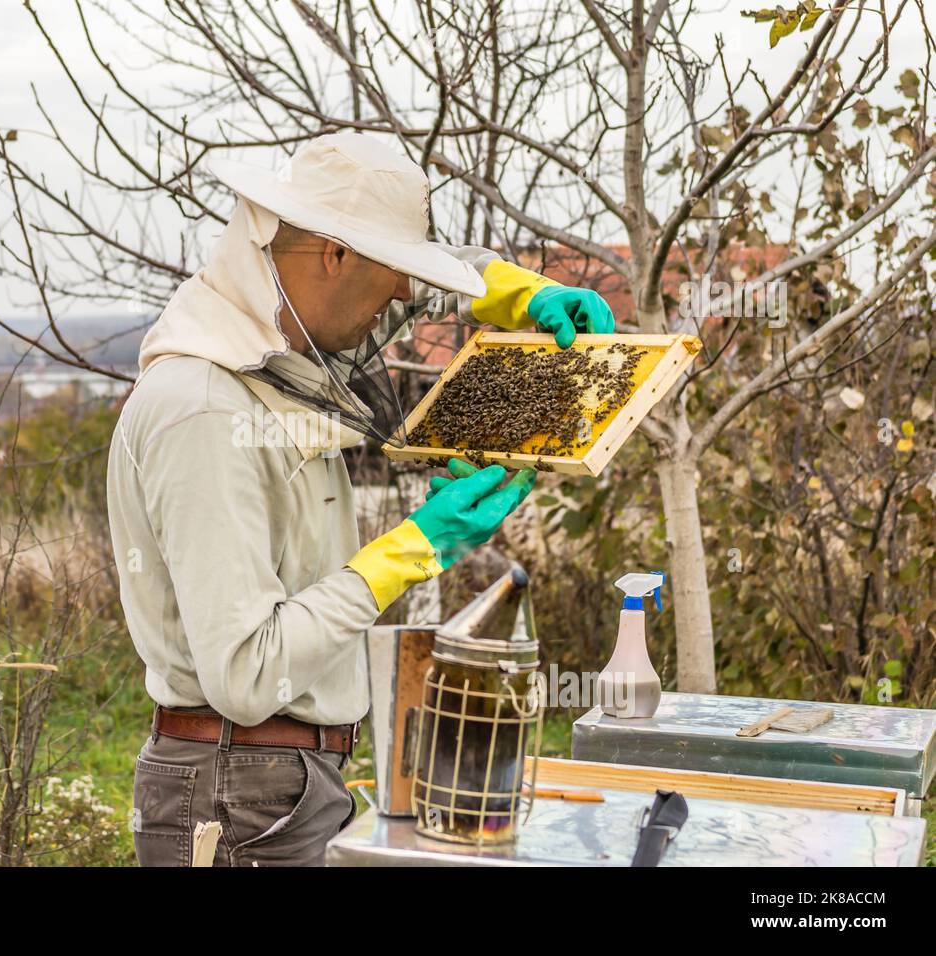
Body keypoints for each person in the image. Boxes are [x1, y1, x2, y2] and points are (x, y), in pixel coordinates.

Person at [106, 131, 613, 866]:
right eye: (394, 272)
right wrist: (418, 546)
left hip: (275, 783)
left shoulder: (287, 332)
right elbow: (247, 675)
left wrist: (523, 292)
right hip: (239, 793)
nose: (407, 294)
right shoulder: (208, 409)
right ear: (336, 254)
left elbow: (434, 278)